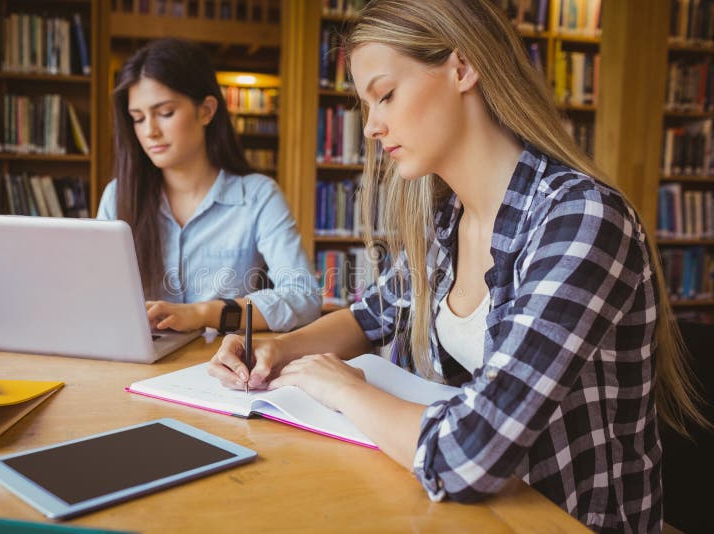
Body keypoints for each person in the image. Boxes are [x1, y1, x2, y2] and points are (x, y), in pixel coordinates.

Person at [208, 1, 709, 532]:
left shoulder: (581, 219)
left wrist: (342, 387)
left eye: (386, 95)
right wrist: (277, 350)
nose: (374, 127)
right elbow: (370, 315)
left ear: (462, 67)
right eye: (366, 106)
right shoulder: (446, 219)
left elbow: (472, 453)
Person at [98, 38, 321, 334]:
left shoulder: (257, 196)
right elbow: (96, 292)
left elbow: (304, 296)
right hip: (137, 364)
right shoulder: (118, 196)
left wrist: (204, 313)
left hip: (219, 366)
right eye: (137, 119)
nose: (150, 131)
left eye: (165, 113)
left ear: (206, 110)